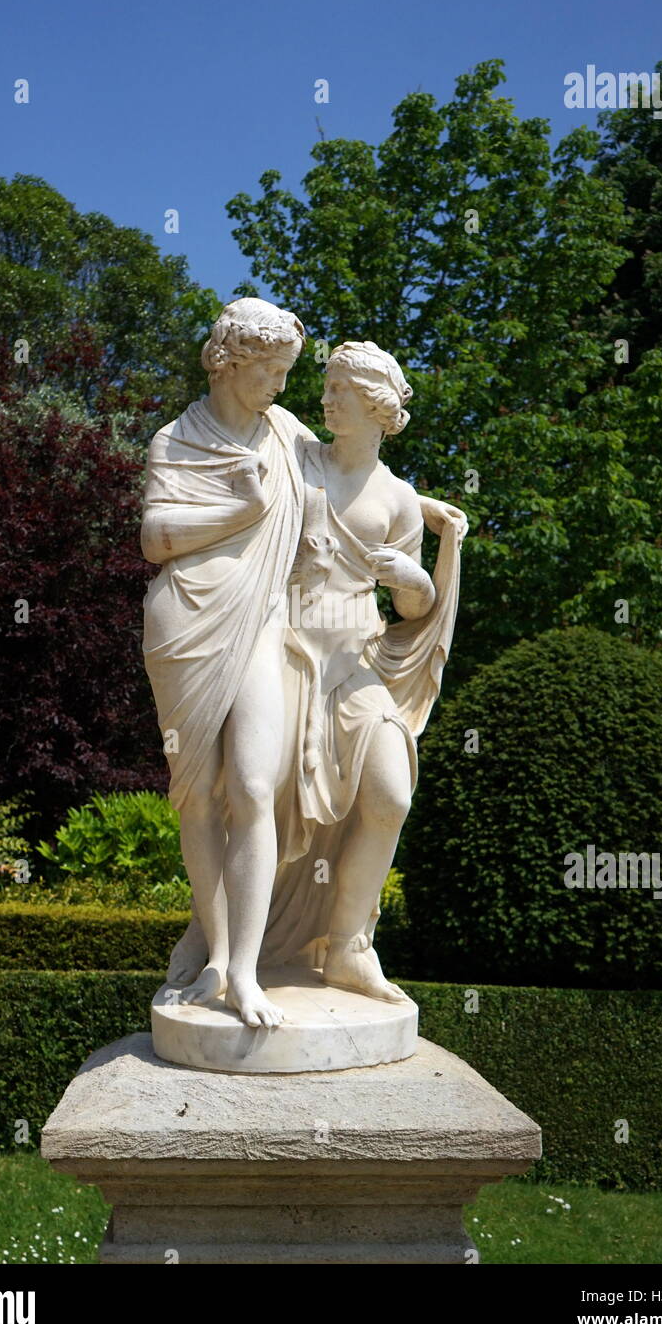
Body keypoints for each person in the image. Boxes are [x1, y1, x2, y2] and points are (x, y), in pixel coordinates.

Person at [258, 341, 465, 1000]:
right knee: (263, 802)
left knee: (391, 793)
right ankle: (233, 946)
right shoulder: (297, 461)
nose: (325, 398)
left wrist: (414, 577)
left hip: (355, 661)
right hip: (285, 655)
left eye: (340, 388)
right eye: (325, 385)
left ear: (377, 404)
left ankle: (348, 945)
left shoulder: (399, 502)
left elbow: (415, 607)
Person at [141, 298, 313, 1028]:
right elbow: (155, 537)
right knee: (200, 791)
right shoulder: (175, 441)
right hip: (185, 621)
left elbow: (349, 473)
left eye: (286, 370)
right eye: (269, 370)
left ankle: (245, 970)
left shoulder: (287, 435)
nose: (278, 384)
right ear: (229, 363)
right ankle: (215, 951)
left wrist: (416, 514)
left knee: (253, 782)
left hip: (263, 623)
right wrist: (239, 512)